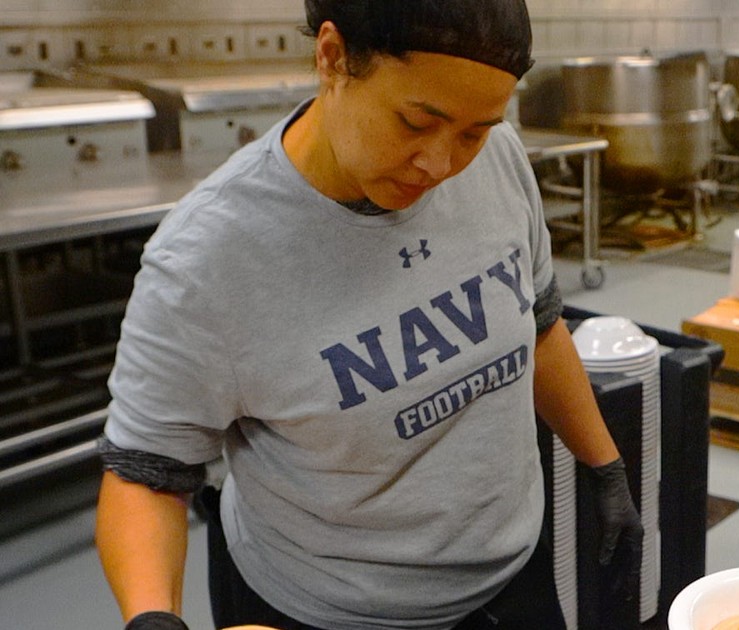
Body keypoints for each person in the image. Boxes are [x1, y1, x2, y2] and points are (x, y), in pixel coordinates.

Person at [94, 1, 643, 629]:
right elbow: (146, 474)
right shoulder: (208, 258)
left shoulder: (499, 159)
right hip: (329, 610)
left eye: (473, 131)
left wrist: (605, 467)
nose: (441, 165)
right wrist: (151, 618)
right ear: (333, 58)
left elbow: (539, 325)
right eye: (415, 122)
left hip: (508, 578)